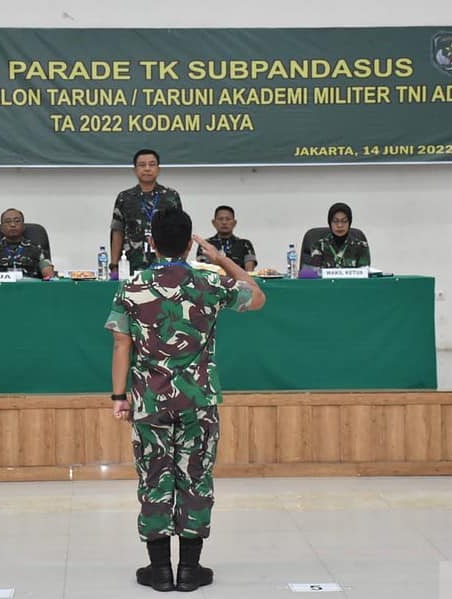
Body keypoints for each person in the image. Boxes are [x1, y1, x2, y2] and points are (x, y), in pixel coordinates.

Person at [104, 208, 266, 592]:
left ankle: (159, 570)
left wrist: (118, 396)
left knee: (155, 479)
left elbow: (120, 343)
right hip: (199, 401)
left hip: (150, 402)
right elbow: (257, 296)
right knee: (196, 479)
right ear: (191, 240)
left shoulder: (133, 286)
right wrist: (221, 258)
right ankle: (190, 571)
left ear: (152, 243)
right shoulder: (209, 282)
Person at [109, 149, 182, 276]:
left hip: (166, 265)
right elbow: (117, 231)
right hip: (131, 265)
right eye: (142, 165)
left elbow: (180, 231)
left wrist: (180, 262)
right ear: (135, 170)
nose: (147, 169)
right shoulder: (124, 197)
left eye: (152, 164)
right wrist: (114, 265)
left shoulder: (171, 196)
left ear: (158, 169)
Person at [0, 208, 55, 279]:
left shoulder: (37, 249)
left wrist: (47, 270)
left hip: (30, 291)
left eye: (17, 221)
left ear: (23, 226)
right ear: (2, 228)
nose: (13, 225)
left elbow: (48, 274)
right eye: (8, 221)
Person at [303, 202, 370, 268]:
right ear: (330, 223)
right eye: (335, 221)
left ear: (349, 223)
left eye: (344, 221)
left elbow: (364, 275)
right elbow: (315, 274)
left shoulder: (361, 247)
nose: (339, 225)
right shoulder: (319, 246)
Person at [196, 205, 257, 271]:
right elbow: (201, 270)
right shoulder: (206, 244)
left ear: (234, 223)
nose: (224, 222)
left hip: (239, 280)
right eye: (220, 219)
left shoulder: (245, 244)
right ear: (213, 223)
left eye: (228, 219)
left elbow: (250, 272)